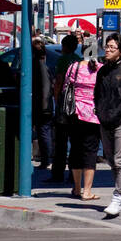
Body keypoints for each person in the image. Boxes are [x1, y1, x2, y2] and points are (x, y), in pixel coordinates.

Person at [94, 35, 121, 218]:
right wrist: (100, 112)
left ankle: (118, 196)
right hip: (105, 122)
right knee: (111, 161)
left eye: (113, 47)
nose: (108, 49)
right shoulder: (102, 71)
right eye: (107, 46)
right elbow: (97, 95)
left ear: (120, 50)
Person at [63, 41, 101, 200]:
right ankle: (87, 191)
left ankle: (77, 188)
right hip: (93, 115)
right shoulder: (100, 69)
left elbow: (66, 87)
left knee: (76, 150)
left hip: (75, 113)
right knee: (90, 152)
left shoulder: (74, 67)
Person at [50, 33, 81, 184]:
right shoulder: (79, 60)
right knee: (75, 141)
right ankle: (73, 174)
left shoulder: (62, 60)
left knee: (61, 141)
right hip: (77, 104)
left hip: (64, 104)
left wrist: (56, 99)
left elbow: (59, 82)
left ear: (65, 47)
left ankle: (58, 173)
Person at [32, 39, 54, 173]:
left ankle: (46, 159)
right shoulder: (40, 65)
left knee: (43, 132)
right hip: (42, 104)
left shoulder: (39, 66)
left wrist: (45, 107)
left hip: (42, 105)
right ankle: (46, 159)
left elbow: (45, 87)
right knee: (42, 132)